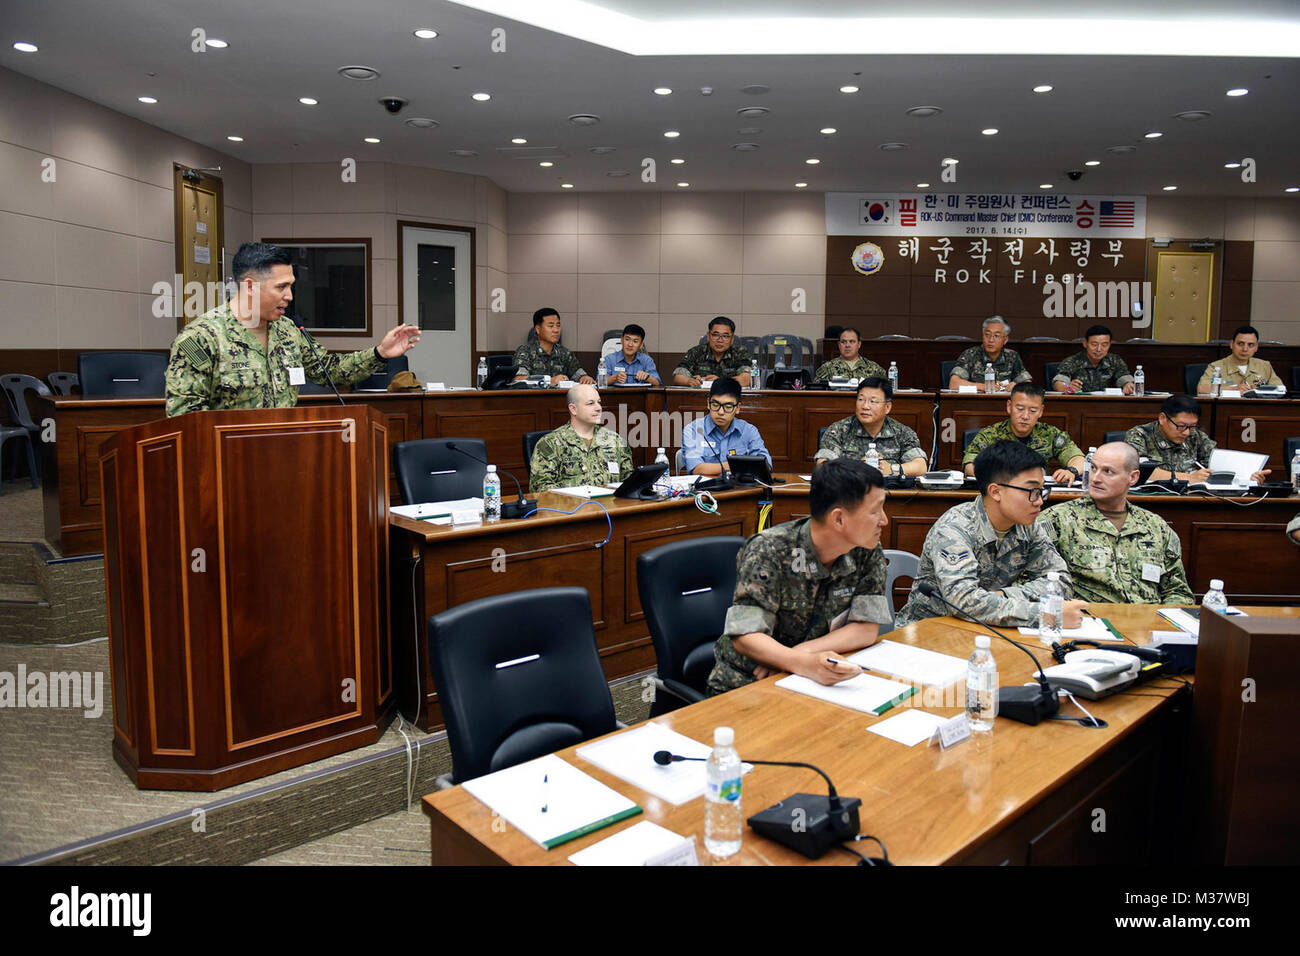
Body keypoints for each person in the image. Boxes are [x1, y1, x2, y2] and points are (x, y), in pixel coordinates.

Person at [164, 242, 420, 417]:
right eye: (281, 287)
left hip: (287, 455)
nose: (289, 295)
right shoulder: (200, 338)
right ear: (250, 286)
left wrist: (379, 353)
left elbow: (328, 370)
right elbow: (184, 417)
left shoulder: (288, 330)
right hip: (228, 468)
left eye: (291, 286)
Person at [705, 458, 892, 695]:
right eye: (875, 511)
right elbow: (746, 635)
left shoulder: (866, 549)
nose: (884, 520)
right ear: (839, 519)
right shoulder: (770, 549)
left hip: (813, 677)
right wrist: (803, 664)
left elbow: (865, 628)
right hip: (747, 683)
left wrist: (800, 655)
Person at [895, 440, 1085, 628]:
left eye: (1042, 491)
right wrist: (1046, 615)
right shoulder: (954, 529)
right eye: (1032, 491)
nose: (1039, 501)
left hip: (988, 629)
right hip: (930, 633)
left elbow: (1060, 582)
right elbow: (964, 603)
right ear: (996, 492)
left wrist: (1004, 595)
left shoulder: (1028, 525)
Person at [1036, 442, 1193, 604]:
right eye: (1094, 468)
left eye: (1108, 472)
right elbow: (1031, 582)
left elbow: (1178, 591)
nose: (1095, 478)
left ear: (1133, 477)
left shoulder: (1156, 527)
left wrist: (1159, 623)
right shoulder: (1058, 521)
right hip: (1091, 622)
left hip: (1146, 624)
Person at [1124, 394, 1269, 484]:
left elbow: (1218, 465)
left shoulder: (1196, 436)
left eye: (1192, 426)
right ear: (1163, 418)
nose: (1187, 432)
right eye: (1181, 426)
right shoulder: (1140, 435)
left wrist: (1248, 478)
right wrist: (1190, 477)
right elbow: (1140, 473)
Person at [962, 383, 1086, 484]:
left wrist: (1071, 471)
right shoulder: (990, 434)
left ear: (1041, 411)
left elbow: (1077, 458)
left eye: (1033, 410)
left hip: (1038, 496)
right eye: (1020, 409)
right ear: (1009, 407)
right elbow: (970, 466)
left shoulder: (1050, 434)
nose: (1025, 416)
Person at [528, 383, 632, 493]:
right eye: (591, 403)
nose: (598, 408)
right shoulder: (550, 443)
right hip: (571, 508)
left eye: (599, 402)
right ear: (573, 409)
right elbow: (539, 489)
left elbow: (630, 482)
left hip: (612, 507)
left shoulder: (615, 440)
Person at [814, 377, 928, 476]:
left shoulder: (902, 432)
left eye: (873, 401)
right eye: (861, 399)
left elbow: (921, 466)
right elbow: (822, 466)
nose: (865, 406)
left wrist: (892, 469)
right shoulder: (838, 430)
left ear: (887, 407)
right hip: (849, 494)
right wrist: (855, 468)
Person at [681, 377, 771, 476]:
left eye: (728, 407)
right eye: (715, 405)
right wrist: (739, 465)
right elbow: (697, 469)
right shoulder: (693, 430)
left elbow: (766, 464)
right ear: (708, 403)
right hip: (706, 490)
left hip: (739, 489)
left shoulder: (748, 431)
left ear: (737, 408)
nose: (720, 412)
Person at [947, 315, 1031, 391]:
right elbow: (953, 384)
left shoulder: (1012, 356)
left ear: (1005, 340)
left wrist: (1016, 386)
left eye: (996, 336)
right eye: (987, 335)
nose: (991, 340)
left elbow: (1028, 383)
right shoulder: (970, 354)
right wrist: (983, 387)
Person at [512, 308, 594, 384]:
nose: (556, 330)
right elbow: (519, 379)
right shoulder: (525, 351)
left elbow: (578, 373)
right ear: (538, 329)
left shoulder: (565, 353)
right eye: (550, 326)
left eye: (558, 325)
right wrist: (549, 381)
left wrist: (584, 378)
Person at [1197, 325, 1284, 395]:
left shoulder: (1264, 366)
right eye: (1240, 344)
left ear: (1256, 347)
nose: (1245, 349)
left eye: (1250, 345)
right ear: (1231, 344)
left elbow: (1280, 388)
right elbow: (1202, 388)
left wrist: (1261, 388)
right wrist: (1233, 389)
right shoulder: (1216, 366)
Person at [1052, 324, 1135, 395]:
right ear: (1085, 343)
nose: (1099, 349)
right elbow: (1059, 383)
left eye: (1104, 345)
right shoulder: (1072, 361)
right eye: (1094, 344)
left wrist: (1128, 384)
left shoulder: (1115, 360)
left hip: (1107, 405)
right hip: (1078, 405)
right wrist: (1068, 388)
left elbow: (1124, 376)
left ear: (1109, 345)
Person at [672, 317, 754, 387]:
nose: (720, 340)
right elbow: (678, 378)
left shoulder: (740, 353)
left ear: (732, 339)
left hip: (729, 399)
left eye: (725, 336)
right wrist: (689, 381)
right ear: (708, 336)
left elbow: (747, 379)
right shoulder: (696, 352)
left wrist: (721, 381)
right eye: (715, 335)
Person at [813, 327, 885, 383]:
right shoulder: (827, 368)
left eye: (852, 341)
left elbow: (886, 391)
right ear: (838, 345)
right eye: (843, 342)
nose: (847, 345)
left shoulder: (874, 368)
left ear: (859, 344)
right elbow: (816, 393)